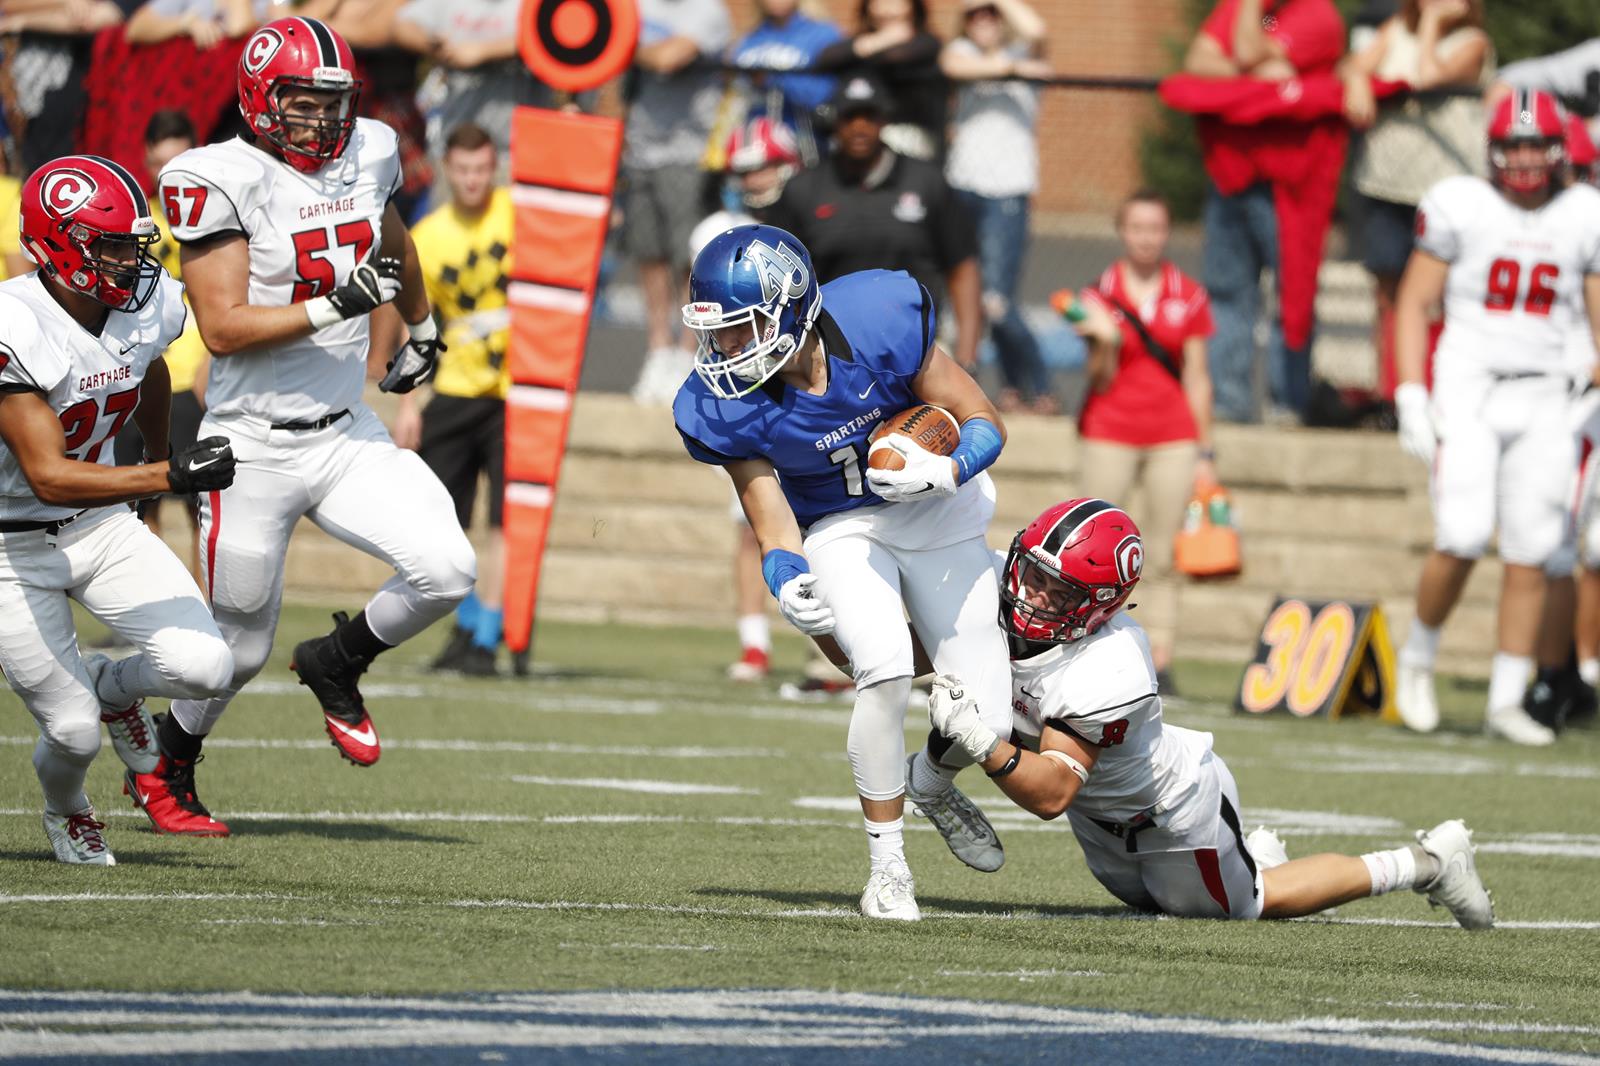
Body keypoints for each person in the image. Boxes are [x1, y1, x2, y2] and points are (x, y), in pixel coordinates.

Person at [140, 17, 475, 835]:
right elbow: (220, 326)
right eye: (301, 101)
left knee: (448, 567)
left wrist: (421, 323)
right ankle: (168, 765)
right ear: (259, 98)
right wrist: (337, 303)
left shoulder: (371, 148)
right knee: (236, 651)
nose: (321, 120)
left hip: (345, 430)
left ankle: (337, 660)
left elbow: (386, 232)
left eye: (333, 102)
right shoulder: (218, 175)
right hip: (250, 443)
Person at [923, 498, 1494, 930]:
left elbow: (1049, 795)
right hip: (1105, 819)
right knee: (1159, 906)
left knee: (1243, 907)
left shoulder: (1110, 664)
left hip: (1167, 812)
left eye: (1060, 591)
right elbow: (919, 644)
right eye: (1034, 575)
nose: (1034, 596)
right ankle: (1248, 857)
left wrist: (979, 740)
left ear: (1101, 605)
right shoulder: (997, 583)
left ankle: (1426, 861)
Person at [674, 223, 1012, 921]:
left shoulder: (881, 316)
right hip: (839, 524)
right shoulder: (722, 404)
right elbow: (770, 521)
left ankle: (932, 778)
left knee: (986, 710)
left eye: (741, 330)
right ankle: (888, 868)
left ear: (791, 308)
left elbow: (983, 417)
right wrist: (786, 580)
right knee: (885, 672)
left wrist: (947, 466)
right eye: (718, 333)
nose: (724, 351)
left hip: (936, 504)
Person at [0, 155, 237, 863]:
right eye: (108, 246)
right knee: (70, 734)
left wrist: (153, 458)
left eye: (131, 244)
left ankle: (112, 686)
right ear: (59, 245)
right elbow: (45, 474)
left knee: (205, 666)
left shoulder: (147, 302)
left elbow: (148, 366)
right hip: (10, 544)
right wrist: (163, 472)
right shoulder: (17, 325)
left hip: (97, 519)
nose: (128, 261)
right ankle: (67, 808)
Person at [1392, 88, 1600, 746]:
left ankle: (1507, 697)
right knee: (1460, 532)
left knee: (1534, 551)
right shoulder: (1461, 203)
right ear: (1493, 148)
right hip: (1472, 386)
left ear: (1560, 149)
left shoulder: (1584, 213)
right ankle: (1419, 658)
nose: (1525, 157)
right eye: (1514, 144)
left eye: (1536, 144)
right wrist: (1409, 392)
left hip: (1550, 395)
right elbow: (1413, 302)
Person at [1070, 189, 1215, 692]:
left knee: (1164, 551)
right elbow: (1099, 378)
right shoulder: (1096, 294)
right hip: (1109, 430)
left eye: (1155, 228)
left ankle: (1162, 655)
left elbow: (1197, 376)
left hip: (1173, 435)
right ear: (1122, 231)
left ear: (1167, 232)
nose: (1147, 238)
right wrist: (1103, 341)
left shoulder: (1189, 293)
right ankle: (1084, 647)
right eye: (1137, 228)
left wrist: (1206, 451)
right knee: (1091, 547)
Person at [1182, 0, 1347, 424]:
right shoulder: (1240, 8)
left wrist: (1245, 47)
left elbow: (1248, 53)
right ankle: (1229, 405)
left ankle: (1286, 404)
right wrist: (1252, 72)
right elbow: (1198, 60)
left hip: (1288, 185)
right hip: (1230, 174)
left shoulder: (1318, 15)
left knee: (1291, 298)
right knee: (1227, 293)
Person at [392, 122, 516, 677]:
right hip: (455, 389)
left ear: (495, 167)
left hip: (516, 394)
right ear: (447, 170)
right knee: (449, 523)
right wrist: (408, 401)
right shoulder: (430, 233)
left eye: (482, 169)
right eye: (463, 170)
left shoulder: (519, 215)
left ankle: (490, 633)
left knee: (505, 523)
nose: (473, 180)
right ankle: (463, 629)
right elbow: (415, 322)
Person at [766, 74, 981, 370]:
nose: (859, 126)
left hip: (919, 344)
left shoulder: (926, 182)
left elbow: (963, 268)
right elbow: (780, 277)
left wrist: (967, 357)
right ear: (835, 122)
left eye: (869, 116)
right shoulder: (804, 189)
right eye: (849, 116)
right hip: (832, 348)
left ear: (884, 121)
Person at [1342, 0, 1492, 409]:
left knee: (1442, 296)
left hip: (1446, 190)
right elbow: (1350, 65)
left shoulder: (1473, 42)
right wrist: (1356, 77)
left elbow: (1427, 77)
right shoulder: (1395, 28)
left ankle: (1441, 389)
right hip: (1385, 182)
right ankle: (1390, 393)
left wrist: (1431, 21)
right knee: (1387, 293)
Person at [941, 0, 1054, 412]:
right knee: (967, 297)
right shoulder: (965, 53)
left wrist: (1001, 5)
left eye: (991, 14)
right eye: (975, 14)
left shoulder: (1026, 54)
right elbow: (952, 66)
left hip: (1007, 191)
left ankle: (1040, 384)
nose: (983, 20)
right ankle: (1008, 387)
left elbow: (1038, 31)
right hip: (963, 187)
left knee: (997, 301)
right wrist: (1012, 71)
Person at [111, 111, 210, 582]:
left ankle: (207, 609)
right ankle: (153, 601)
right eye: (159, 161)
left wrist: (215, 358)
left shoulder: (212, 219)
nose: (168, 171)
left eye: (179, 160)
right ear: (147, 163)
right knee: (139, 506)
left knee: (199, 507)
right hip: (137, 374)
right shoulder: (133, 223)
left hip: (191, 378)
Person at [623, 0, 733, 406]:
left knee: (690, 260)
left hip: (691, 154)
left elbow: (669, 58)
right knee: (648, 254)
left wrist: (618, 41)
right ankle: (659, 352)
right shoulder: (637, 7)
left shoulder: (708, 11)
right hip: (640, 151)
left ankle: (692, 355)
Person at [393, 0, 547, 162]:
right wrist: (432, 44)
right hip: (455, 150)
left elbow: (552, 35)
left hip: (515, 153)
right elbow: (401, 25)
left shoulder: (526, 4)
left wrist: (482, 52)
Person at [814, 0, 944, 161]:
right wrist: (885, 39)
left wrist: (865, 48)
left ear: (913, 6)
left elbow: (896, 57)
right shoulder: (856, 42)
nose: (887, 10)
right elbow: (826, 58)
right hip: (858, 140)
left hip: (909, 138)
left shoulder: (926, 42)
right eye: (879, 2)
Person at [729, 0, 843, 150]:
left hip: (803, 142)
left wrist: (771, 79)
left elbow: (825, 94)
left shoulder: (823, 34)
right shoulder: (749, 37)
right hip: (751, 142)